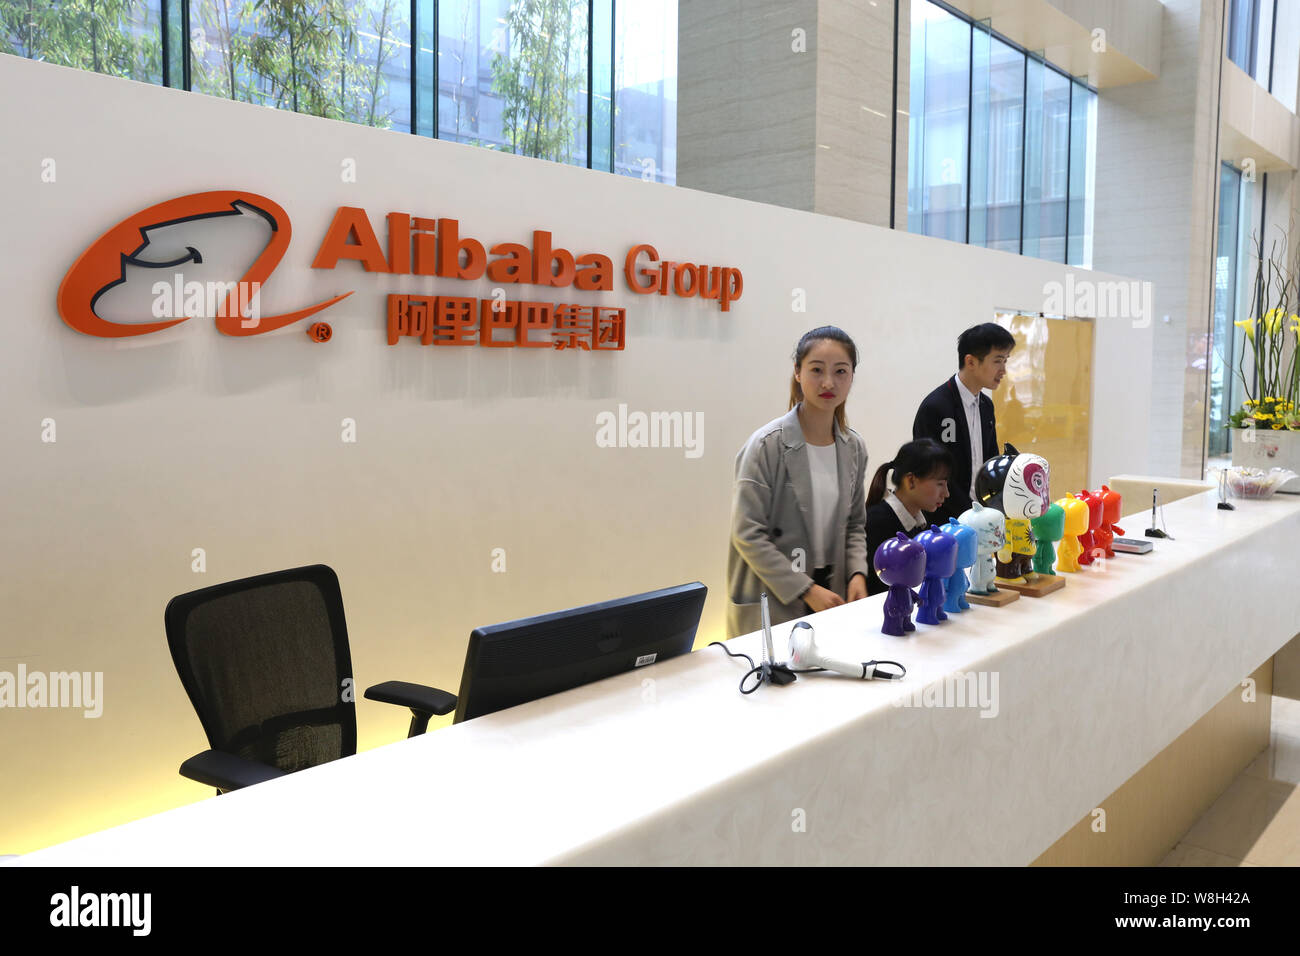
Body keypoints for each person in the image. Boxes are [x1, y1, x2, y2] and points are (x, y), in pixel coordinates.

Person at [726, 326, 870, 638]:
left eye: (840, 371)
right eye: (816, 370)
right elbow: (747, 534)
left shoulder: (853, 447)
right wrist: (805, 589)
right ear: (797, 372)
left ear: (852, 377)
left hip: (832, 593)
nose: (828, 382)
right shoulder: (766, 445)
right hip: (776, 594)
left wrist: (858, 572)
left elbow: (856, 524)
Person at [912, 322, 1014, 524]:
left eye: (1006, 361)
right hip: (944, 521)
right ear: (971, 362)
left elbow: (990, 463)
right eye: (998, 361)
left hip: (981, 519)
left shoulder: (986, 406)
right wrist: (969, 514)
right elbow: (933, 473)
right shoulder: (936, 407)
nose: (1003, 370)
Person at [864, 439, 954, 595]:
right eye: (940, 484)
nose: (946, 493)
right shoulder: (876, 523)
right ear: (911, 481)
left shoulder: (922, 522)